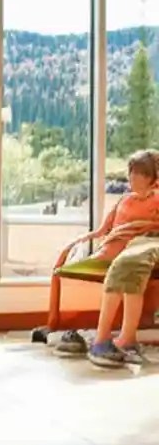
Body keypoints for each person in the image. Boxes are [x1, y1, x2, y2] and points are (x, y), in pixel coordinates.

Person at [55, 150, 159, 366]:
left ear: (152, 178)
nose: (135, 178)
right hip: (109, 252)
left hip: (132, 253)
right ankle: (112, 339)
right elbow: (102, 229)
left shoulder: (156, 198)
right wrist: (82, 240)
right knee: (123, 269)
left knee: (127, 270)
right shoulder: (123, 200)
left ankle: (116, 339)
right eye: (132, 173)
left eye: (142, 174)